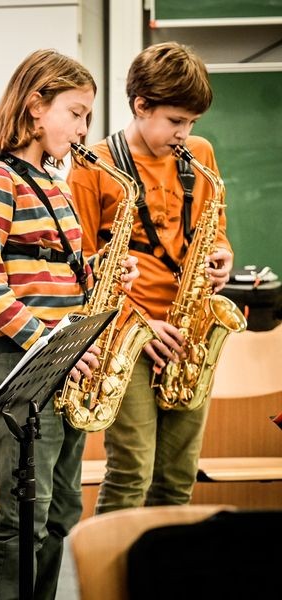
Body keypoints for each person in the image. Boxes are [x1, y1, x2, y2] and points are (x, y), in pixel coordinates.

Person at [0, 50, 138, 600]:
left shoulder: (56, 185)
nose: (85, 129)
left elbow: (59, 268)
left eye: (87, 116)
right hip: (26, 363)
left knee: (60, 510)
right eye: (76, 112)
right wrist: (49, 345)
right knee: (23, 517)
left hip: (67, 364)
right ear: (35, 107)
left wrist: (106, 270)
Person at [69, 42, 233, 514]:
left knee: (178, 479)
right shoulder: (94, 164)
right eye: (175, 121)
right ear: (141, 105)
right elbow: (82, 264)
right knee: (131, 473)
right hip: (127, 336)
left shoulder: (198, 153)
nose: (185, 134)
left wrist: (221, 253)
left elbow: (213, 229)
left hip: (190, 332)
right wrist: (138, 326)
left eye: (191, 123)